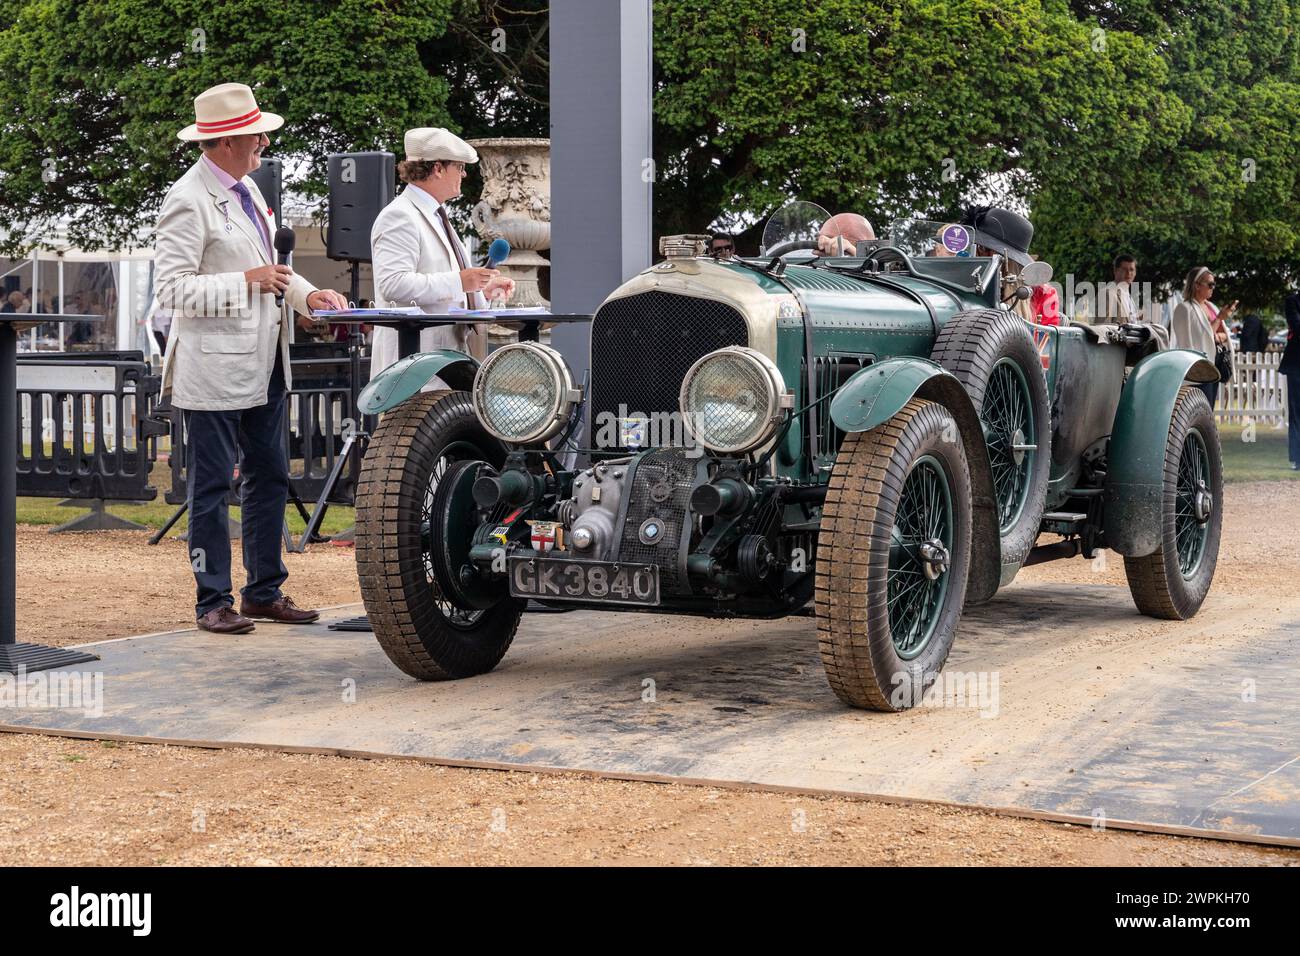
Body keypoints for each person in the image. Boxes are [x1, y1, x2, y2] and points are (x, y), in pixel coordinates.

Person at [155, 82, 349, 635]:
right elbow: (171, 290)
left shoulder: (247, 191)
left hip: (264, 360)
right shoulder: (187, 198)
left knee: (267, 477)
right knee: (212, 487)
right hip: (213, 367)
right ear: (225, 142)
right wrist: (248, 281)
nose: (264, 141)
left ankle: (264, 591)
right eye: (255, 134)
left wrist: (308, 294)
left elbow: (273, 269)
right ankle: (211, 601)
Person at [369, 128, 514, 377]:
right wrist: (461, 281)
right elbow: (392, 284)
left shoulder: (434, 214)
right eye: (459, 167)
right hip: (412, 367)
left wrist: (479, 291)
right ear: (437, 168)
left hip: (440, 363)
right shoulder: (400, 215)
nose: (464, 174)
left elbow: (444, 288)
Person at [1171, 266, 1236, 410]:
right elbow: (1193, 340)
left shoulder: (1211, 306)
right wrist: (1218, 320)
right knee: (1199, 411)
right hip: (1198, 369)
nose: (1213, 288)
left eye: (1214, 284)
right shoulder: (1184, 309)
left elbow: (1222, 335)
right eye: (1210, 284)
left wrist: (1216, 333)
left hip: (1214, 365)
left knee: (1209, 410)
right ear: (1196, 285)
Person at [1281, 291, 1300, 470]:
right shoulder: (1292, 301)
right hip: (1296, 363)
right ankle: (1297, 458)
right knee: (1296, 411)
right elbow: (1297, 325)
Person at [1103, 254, 1139, 323]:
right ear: (1115, 271)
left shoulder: (1128, 296)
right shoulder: (1107, 294)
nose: (1128, 273)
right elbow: (1102, 328)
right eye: (1124, 269)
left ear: (1135, 273)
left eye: (1131, 270)